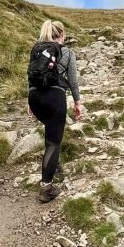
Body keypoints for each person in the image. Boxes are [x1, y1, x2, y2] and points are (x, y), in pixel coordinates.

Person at [28, 20, 82, 203]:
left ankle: (51, 165)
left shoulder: (37, 50)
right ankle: (47, 188)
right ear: (62, 34)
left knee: (50, 132)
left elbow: (30, 75)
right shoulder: (67, 52)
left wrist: (30, 100)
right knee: (53, 141)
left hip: (35, 97)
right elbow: (73, 80)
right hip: (54, 97)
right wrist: (77, 102)